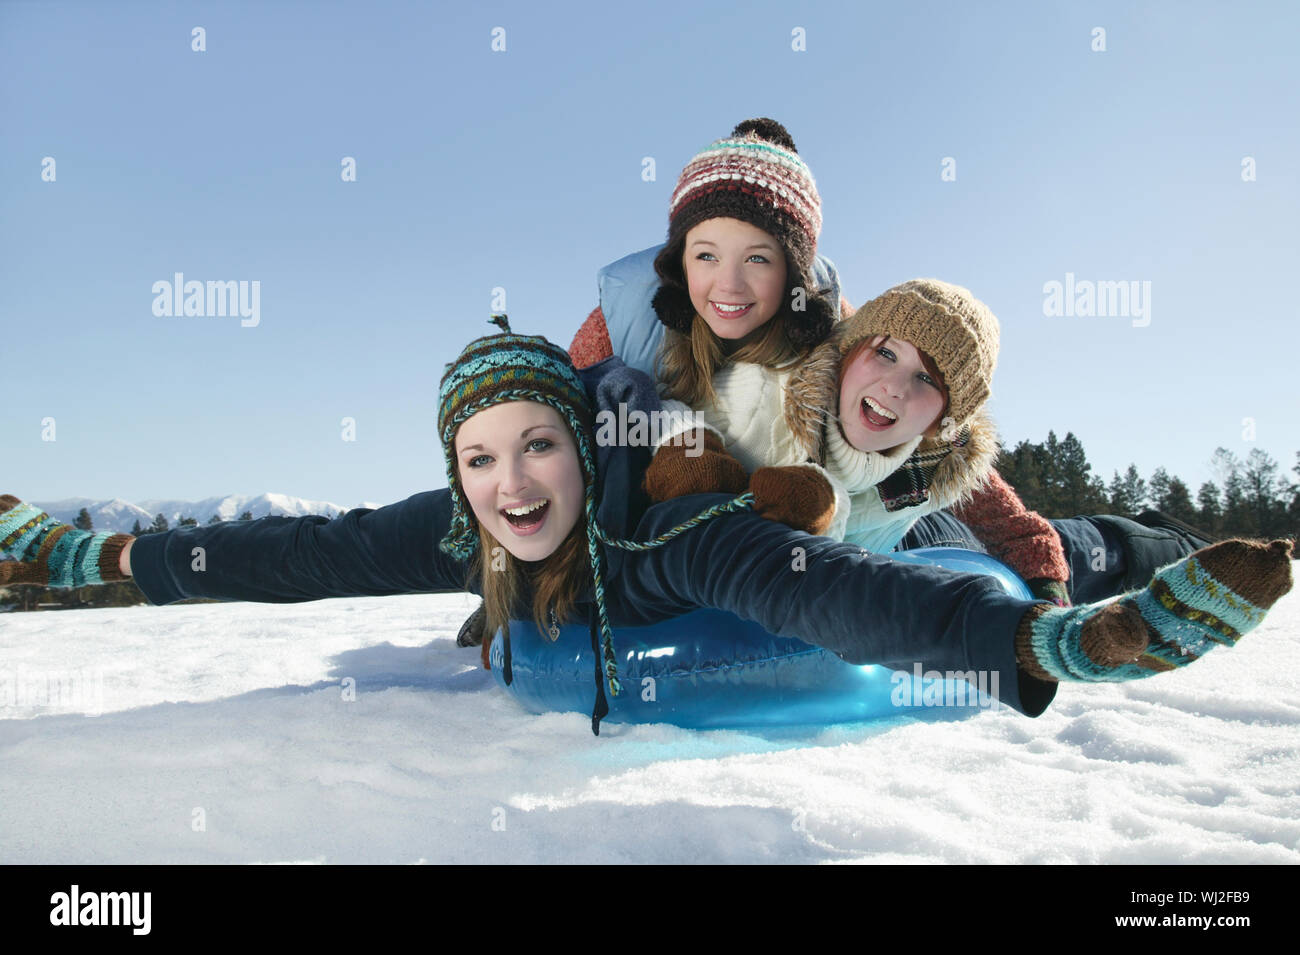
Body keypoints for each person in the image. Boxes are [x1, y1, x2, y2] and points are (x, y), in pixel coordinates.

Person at [2, 325, 1292, 738]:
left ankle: (1148, 553)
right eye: (481, 458)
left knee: (1092, 535)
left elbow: (828, 594)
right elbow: (301, 552)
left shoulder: (669, 529)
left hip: (943, 548)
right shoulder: (466, 527)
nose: (513, 484)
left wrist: (1053, 639)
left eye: (539, 445)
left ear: (583, 444)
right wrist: (94, 554)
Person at [568, 116, 1213, 606]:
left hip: (889, 528)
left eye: (759, 258)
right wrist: (527, 582)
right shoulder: (625, 323)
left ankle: (1153, 542)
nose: (728, 286)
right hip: (740, 551)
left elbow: (938, 451)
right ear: (681, 257)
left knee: (1066, 547)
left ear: (794, 265)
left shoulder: (844, 336)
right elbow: (548, 443)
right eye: (705, 255)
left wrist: (1035, 560)